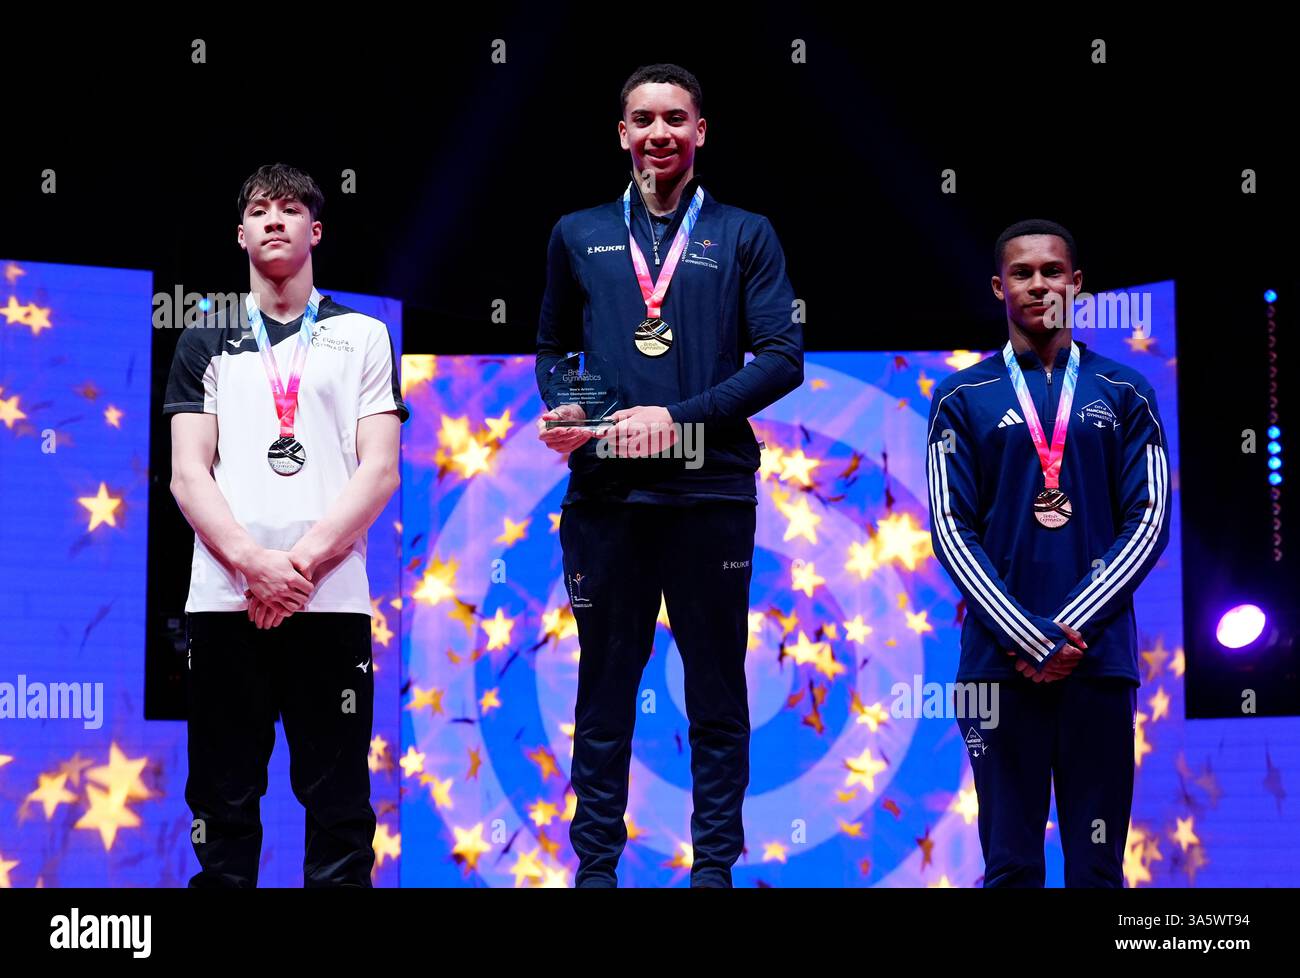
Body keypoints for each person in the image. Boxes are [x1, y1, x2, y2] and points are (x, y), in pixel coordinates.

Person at [534, 63, 803, 887]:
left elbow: (783, 358)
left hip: (710, 495)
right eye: (643, 118)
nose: (659, 132)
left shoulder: (746, 232)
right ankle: (597, 875)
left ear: (700, 132)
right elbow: (551, 349)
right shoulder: (576, 232)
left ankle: (713, 874)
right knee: (603, 698)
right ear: (622, 133)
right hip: (607, 497)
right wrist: (571, 409)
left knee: (717, 696)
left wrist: (677, 419)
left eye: (675, 118)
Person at [164, 163, 409, 886]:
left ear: (315, 230)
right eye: (261, 210)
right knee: (223, 802)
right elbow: (187, 473)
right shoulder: (204, 336)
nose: (276, 219)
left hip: (328, 602)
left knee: (338, 809)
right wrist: (251, 565)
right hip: (224, 602)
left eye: (292, 208)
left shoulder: (362, 334)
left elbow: (380, 470)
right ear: (240, 234)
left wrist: (292, 569)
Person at [926, 219, 1170, 887]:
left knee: (1096, 868)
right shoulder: (960, 397)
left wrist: (1068, 631)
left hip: (1096, 665)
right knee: (1010, 868)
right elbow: (949, 526)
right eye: (1024, 273)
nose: (1040, 284)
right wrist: (1027, 638)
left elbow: (1149, 522)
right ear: (999, 287)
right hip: (995, 674)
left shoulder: (1126, 393)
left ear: (1077, 284)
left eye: (1053, 271)